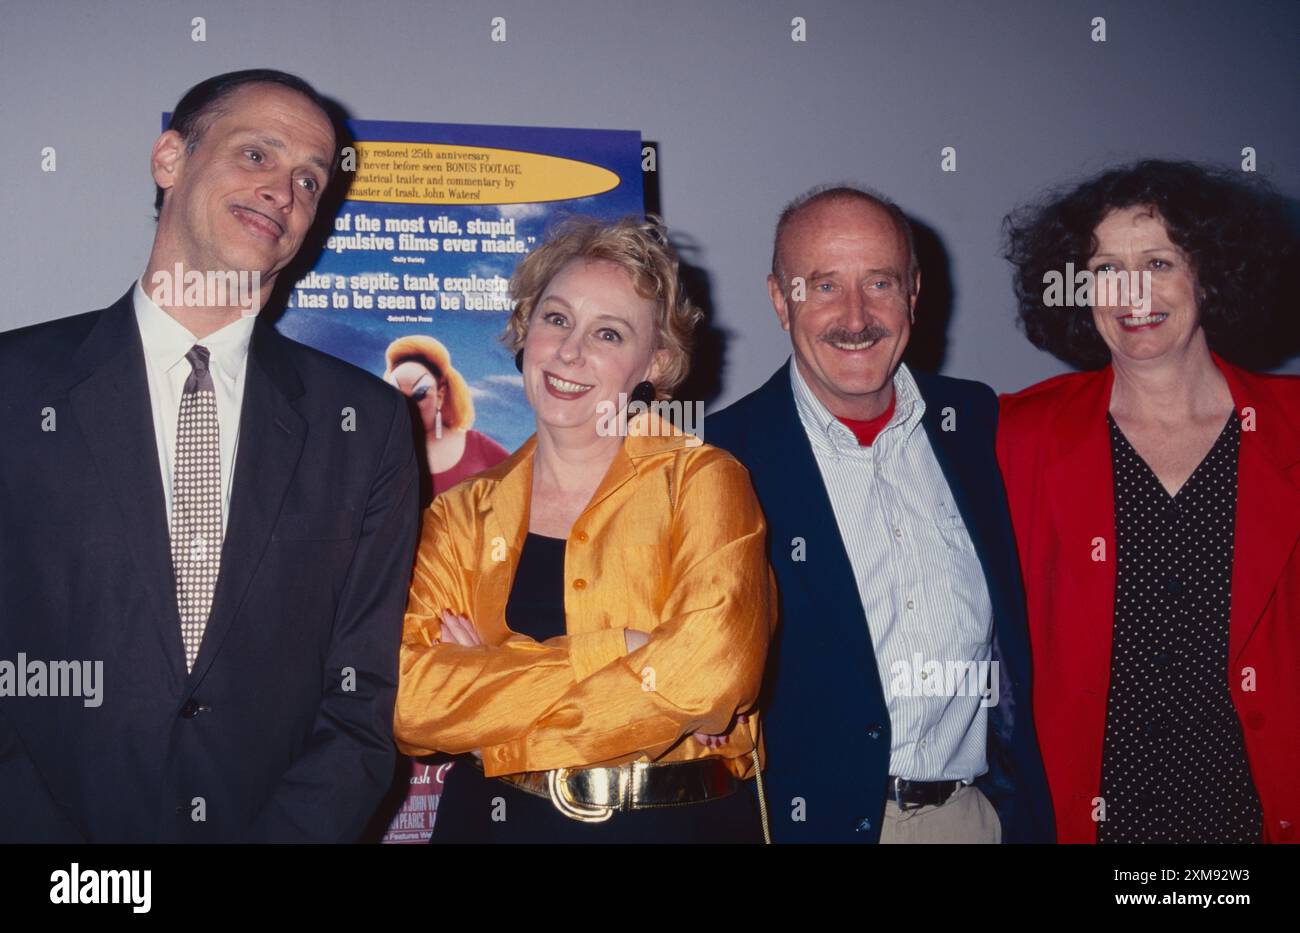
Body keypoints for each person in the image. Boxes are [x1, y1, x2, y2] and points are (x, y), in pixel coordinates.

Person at [0, 70, 420, 842]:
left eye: (308, 179)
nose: (282, 191)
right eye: (255, 154)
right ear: (169, 157)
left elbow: (360, 704)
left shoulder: (366, 424)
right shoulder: (14, 389)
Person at [393, 216, 776, 843]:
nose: (570, 352)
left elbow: (709, 677)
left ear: (656, 360)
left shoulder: (704, 482)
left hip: (674, 827)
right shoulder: (459, 515)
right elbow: (411, 706)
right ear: (526, 327)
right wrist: (621, 650)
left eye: (608, 333)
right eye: (556, 318)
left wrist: (493, 674)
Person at [707, 185, 1055, 843]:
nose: (857, 315)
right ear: (782, 298)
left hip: (974, 819)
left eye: (880, 283)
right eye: (825, 286)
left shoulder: (978, 424)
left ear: (914, 293)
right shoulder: (720, 457)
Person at [998, 160, 1300, 844]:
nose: (1132, 291)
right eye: (1105, 268)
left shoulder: (1291, 428)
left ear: (1210, 273)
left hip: (1257, 819)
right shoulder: (1021, 435)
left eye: (1159, 260)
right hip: (1096, 821)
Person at [384, 334, 510, 500]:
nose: (407, 406)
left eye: (420, 394)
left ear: (441, 394)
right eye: (397, 395)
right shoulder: (377, 453)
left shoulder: (480, 448)